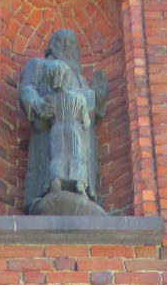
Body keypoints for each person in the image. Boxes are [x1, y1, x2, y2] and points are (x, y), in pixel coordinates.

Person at [19, 29, 107, 214]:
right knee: (55, 160)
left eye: (71, 42)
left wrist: (97, 96)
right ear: (52, 45)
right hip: (51, 125)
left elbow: (87, 109)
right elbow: (28, 89)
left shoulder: (81, 79)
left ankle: (82, 192)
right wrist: (37, 104)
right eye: (61, 41)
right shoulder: (39, 65)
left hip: (79, 135)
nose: (66, 46)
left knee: (78, 162)